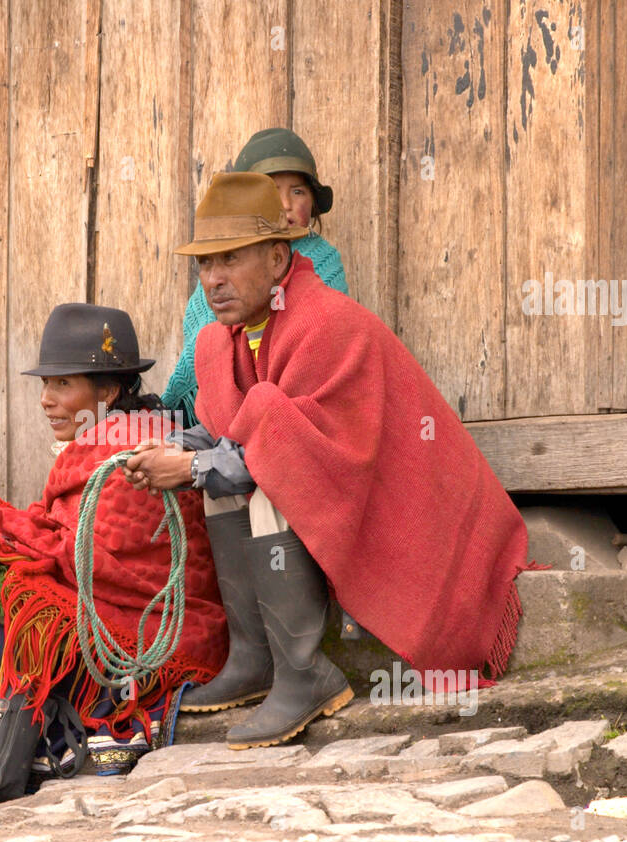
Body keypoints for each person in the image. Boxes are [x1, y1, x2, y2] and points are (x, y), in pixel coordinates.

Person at [124, 173, 530, 750]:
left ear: (276, 257)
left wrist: (190, 468)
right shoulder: (218, 341)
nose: (214, 280)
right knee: (236, 465)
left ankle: (304, 672)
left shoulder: (326, 322)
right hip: (320, 491)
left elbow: (287, 447)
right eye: (204, 265)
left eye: (231, 260)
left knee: (271, 450)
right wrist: (171, 452)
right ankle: (254, 659)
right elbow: (226, 437)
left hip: (404, 507)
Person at [0, 304, 228, 775]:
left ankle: (0, 742)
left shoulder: (132, 456)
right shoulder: (115, 437)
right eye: (46, 385)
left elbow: (88, 561)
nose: (46, 400)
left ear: (108, 391)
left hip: (152, 631)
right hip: (124, 614)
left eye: (63, 384)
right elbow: (65, 537)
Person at [161, 128, 348, 430]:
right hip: (229, 406)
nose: (286, 204)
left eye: (297, 191)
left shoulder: (322, 262)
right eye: (272, 192)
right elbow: (206, 336)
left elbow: (321, 338)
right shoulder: (219, 272)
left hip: (293, 402)